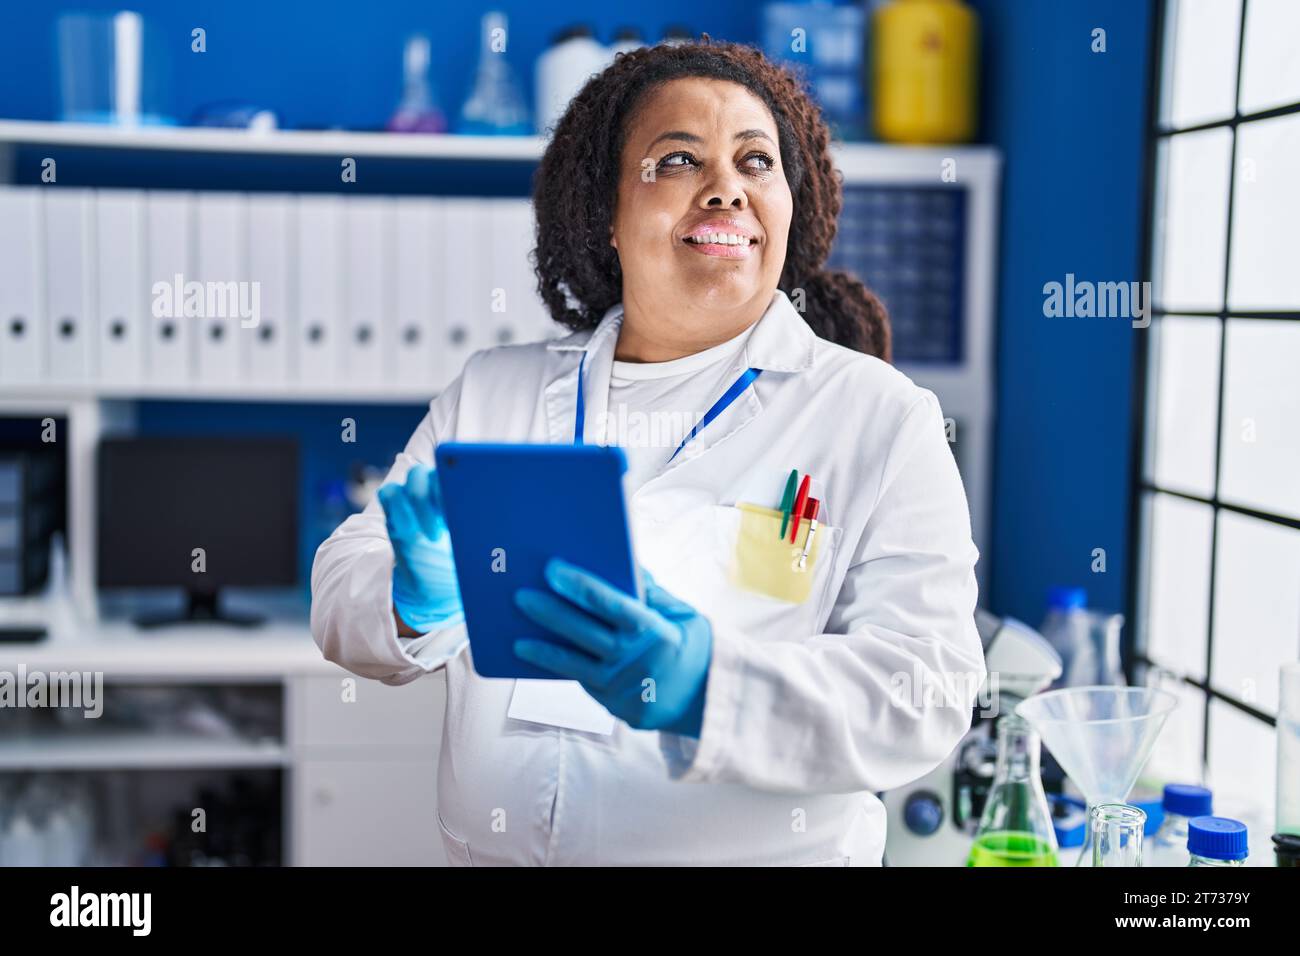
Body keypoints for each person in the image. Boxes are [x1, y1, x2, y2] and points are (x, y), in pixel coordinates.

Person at [311, 39, 985, 866]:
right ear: (606, 211)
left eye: (755, 161)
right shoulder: (496, 392)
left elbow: (929, 690)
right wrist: (414, 601)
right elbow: (345, 584)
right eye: (677, 159)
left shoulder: (878, 417)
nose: (726, 188)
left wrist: (709, 685)